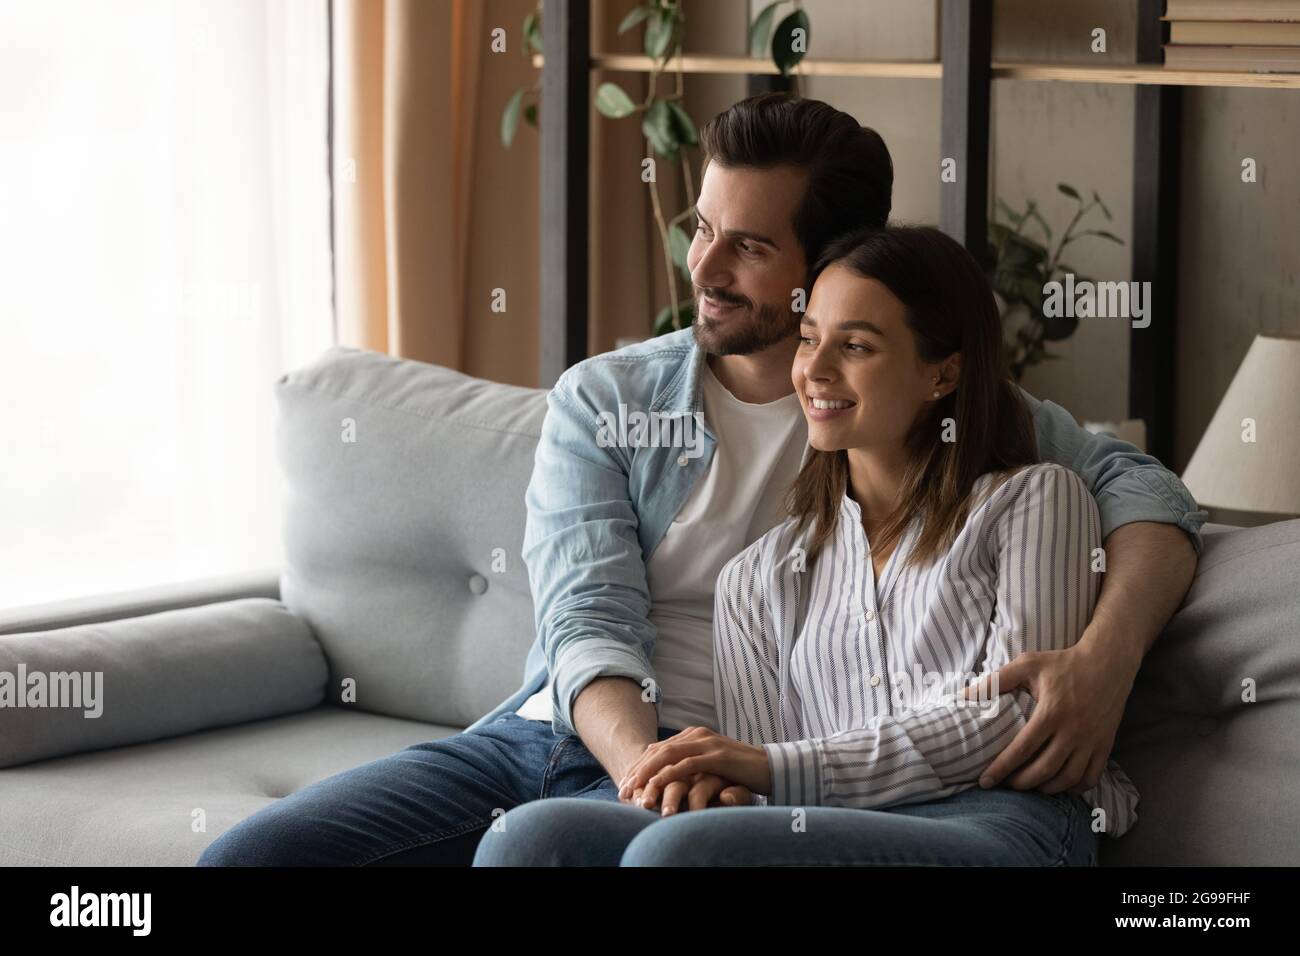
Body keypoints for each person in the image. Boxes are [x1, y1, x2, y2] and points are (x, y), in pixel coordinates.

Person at [199, 94, 1204, 867]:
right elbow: (587, 620)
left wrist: (1104, 661)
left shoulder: (958, 419)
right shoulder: (608, 402)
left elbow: (1146, 493)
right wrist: (660, 766)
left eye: (751, 246)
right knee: (248, 859)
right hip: (576, 741)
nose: (705, 266)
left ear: (833, 258)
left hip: (770, 769)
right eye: (702, 226)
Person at [476, 225, 1138, 865]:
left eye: (855, 347)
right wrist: (711, 781)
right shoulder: (759, 577)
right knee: (530, 841)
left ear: (942, 374)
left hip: (998, 815)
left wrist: (767, 767)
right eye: (808, 339)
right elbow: (765, 797)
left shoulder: (1034, 502)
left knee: (678, 851)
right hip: (824, 825)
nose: (814, 371)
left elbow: (1019, 721)